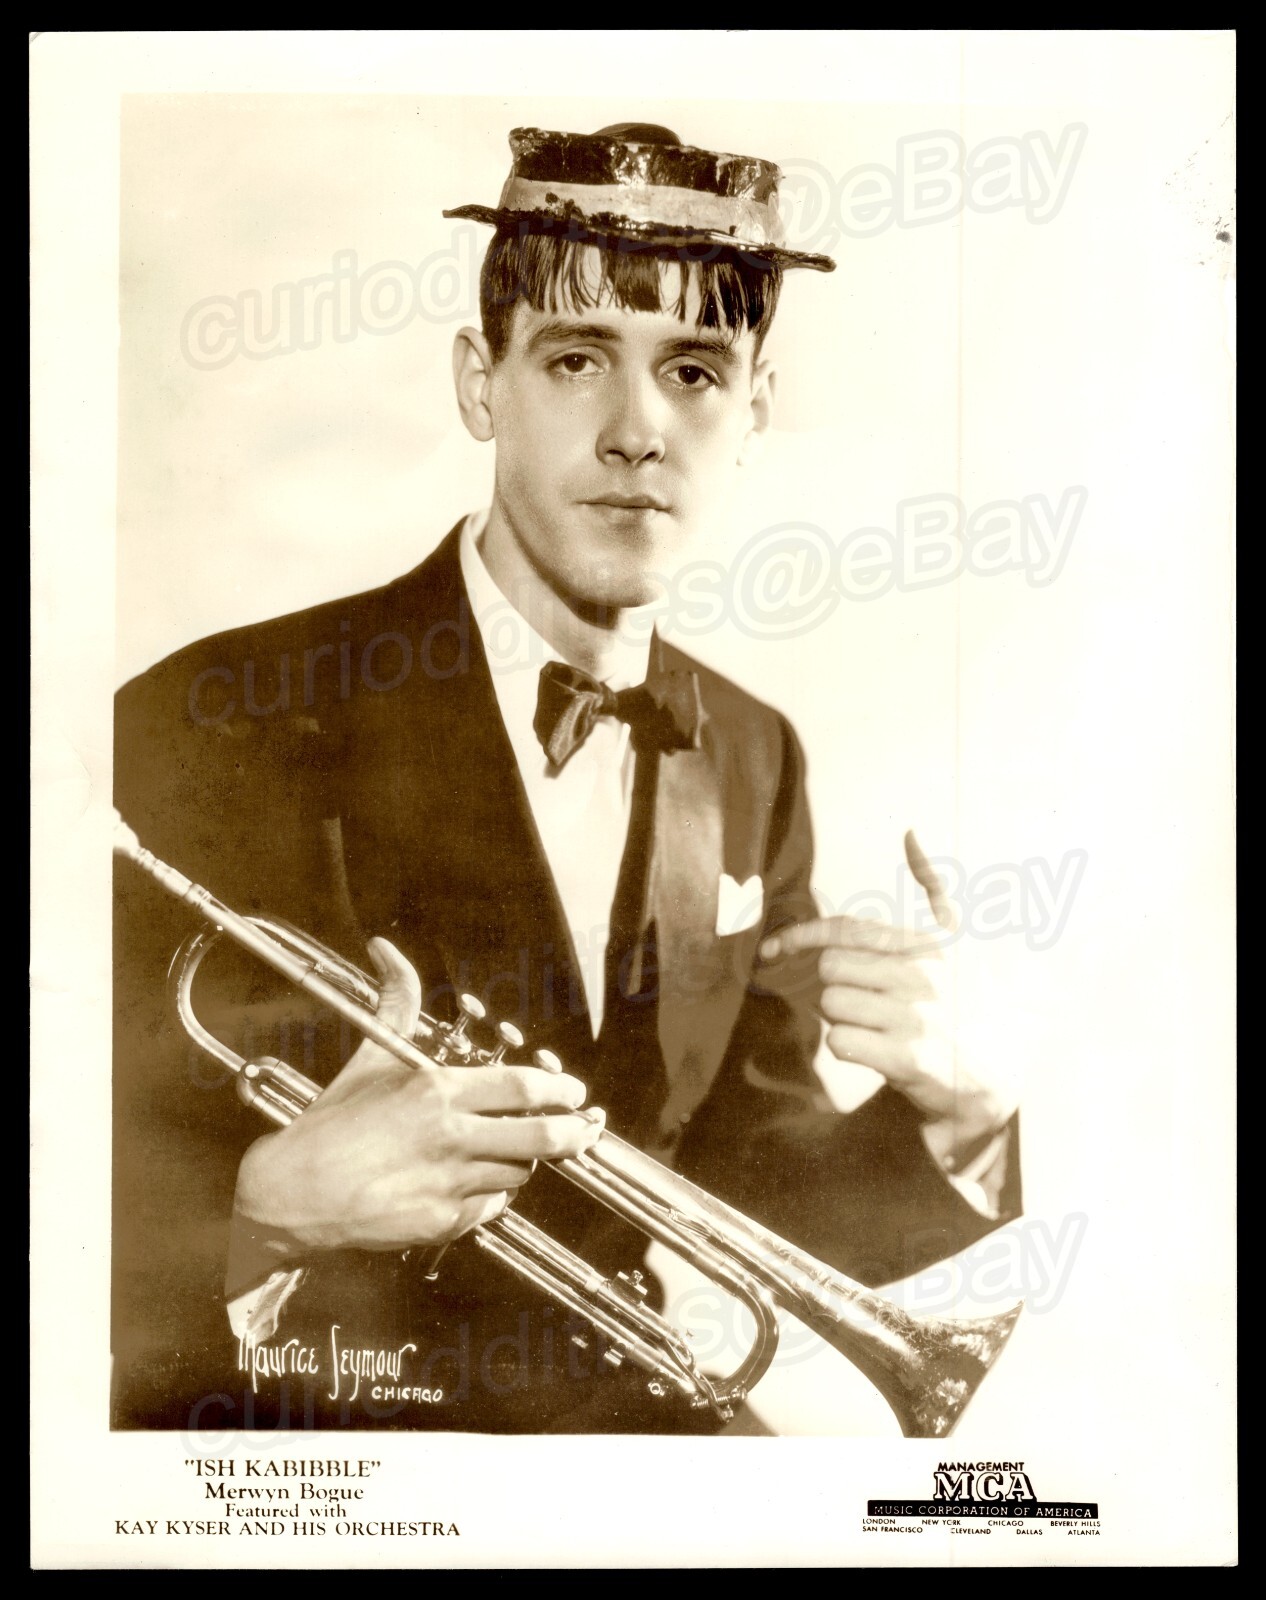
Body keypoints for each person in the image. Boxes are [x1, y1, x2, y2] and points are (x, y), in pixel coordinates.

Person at [112, 121, 1021, 1435]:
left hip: (619, 1425)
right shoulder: (209, 715)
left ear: (755, 407)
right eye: (578, 358)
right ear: (482, 382)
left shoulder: (749, 750)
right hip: (303, 1437)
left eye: (696, 369)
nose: (639, 432)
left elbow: (740, 1186)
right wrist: (265, 1205)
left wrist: (958, 1101)